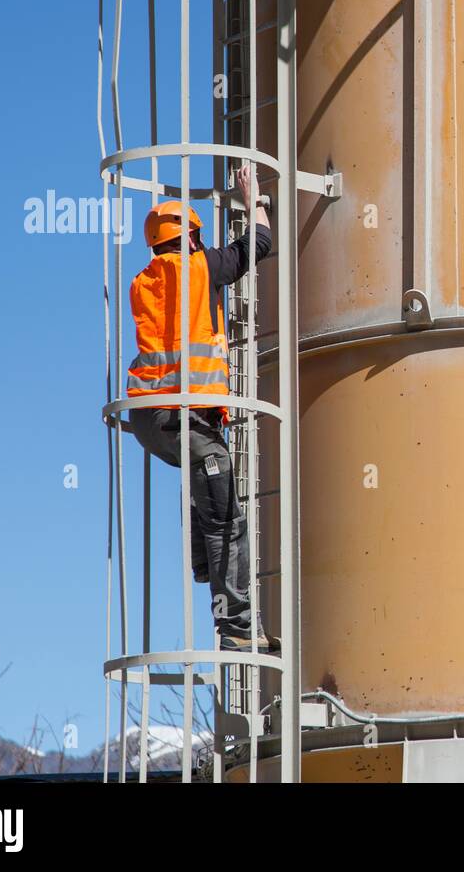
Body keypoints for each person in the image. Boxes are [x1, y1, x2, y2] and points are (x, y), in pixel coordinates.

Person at [126, 165, 278, 653]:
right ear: (191, 238)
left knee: (205, 482)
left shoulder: (143, 281)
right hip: (184, 412)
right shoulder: (199, 268)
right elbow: (256, 245)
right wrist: (257, 199)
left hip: (150, 418)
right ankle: (235, 625)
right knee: (228, 519)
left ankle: (201, 563)